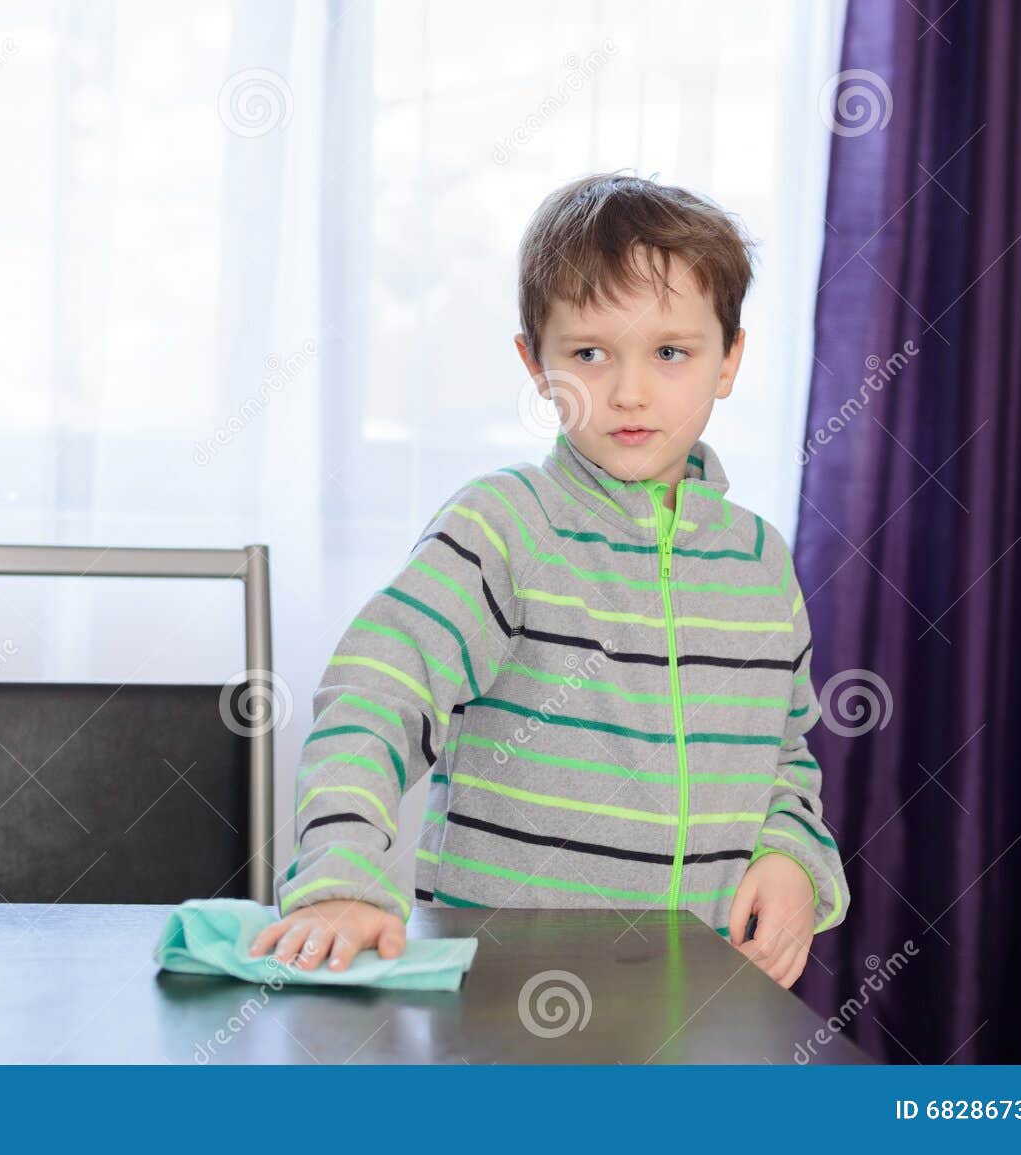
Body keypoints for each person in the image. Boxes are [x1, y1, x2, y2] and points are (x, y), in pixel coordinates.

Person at [249, 172, 849, 989]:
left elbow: (783, 752)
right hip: (501, 1001)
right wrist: (339, 875)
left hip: (694, 1004)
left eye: (671, 351)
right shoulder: (506, 524)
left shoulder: (760, 560)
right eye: (589, 353)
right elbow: (374, 693)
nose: (629, 391)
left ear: (729, 359)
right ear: (536, 363)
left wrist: (790, 853)